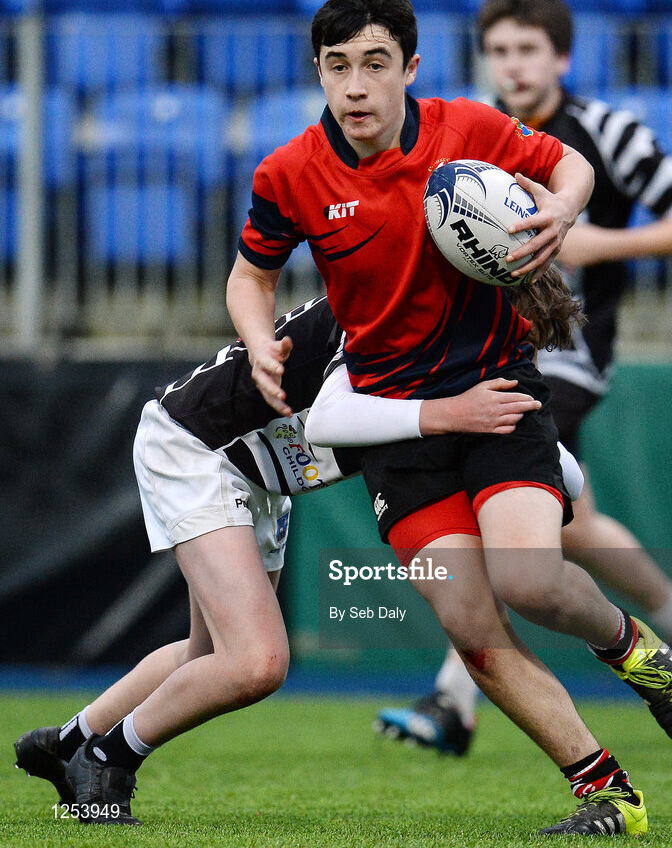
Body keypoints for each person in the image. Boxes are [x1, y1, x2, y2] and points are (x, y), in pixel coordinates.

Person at [229, 0, 672, 836]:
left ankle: (634, 649)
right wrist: (258, 340)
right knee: (472, 629)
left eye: (375, 63)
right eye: (336, 66)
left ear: (410, 67)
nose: (355, 86)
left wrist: (561, 207)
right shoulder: (288, 172)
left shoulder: (468, 130)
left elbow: (568, 165)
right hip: (396, 424)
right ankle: (608, 795)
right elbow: (249, 276)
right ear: (318, 71)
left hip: (496, 392)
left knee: (529, 579)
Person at [14, 295, 562, 825]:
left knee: (212, 655)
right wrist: (448, 414)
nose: (517, 366)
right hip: (197, 447)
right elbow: (329, 418)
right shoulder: (399, 316)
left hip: (258, 470)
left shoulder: (450, 339)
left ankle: (65, 744)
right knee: (257, 663)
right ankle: (106, 760)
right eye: (515, 346)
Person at [370, 0, 672, 757]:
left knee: (497, 499)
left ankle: (452, 699)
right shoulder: (471, 139)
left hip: (568, 354)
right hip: (483, 349)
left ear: (561, 57)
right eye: (499, 51)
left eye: (527, 50)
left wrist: (595, 244)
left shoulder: (607, 134)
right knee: (572, 522)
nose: (513, 65)